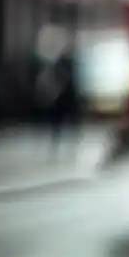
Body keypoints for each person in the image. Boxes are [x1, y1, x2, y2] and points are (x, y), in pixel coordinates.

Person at [35, 25, 82, 158]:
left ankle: (63, 141)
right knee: (62, 120)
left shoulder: (63, 63)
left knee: (63, 121)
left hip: (64, 97)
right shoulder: (64, 63)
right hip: (64, 97)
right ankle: (61, 141)